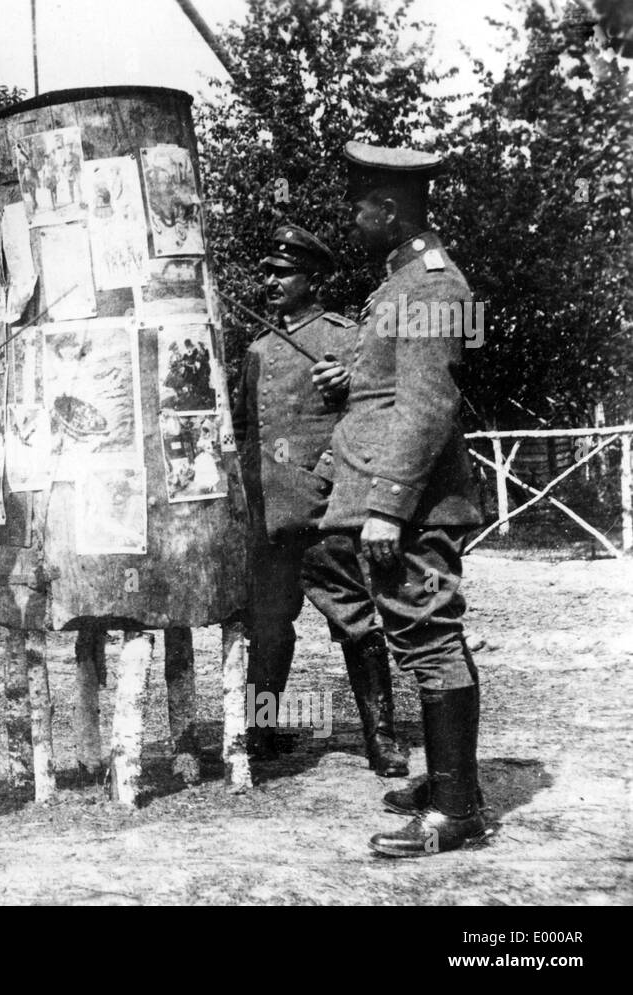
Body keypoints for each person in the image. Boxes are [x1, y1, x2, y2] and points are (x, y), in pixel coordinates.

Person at [312, 142, 486, 856]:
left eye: (360, 205)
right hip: (392, 492)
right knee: (416, 630)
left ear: (388, 208)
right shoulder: (401, 283)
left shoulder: (432, 288)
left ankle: (455, 811)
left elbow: (426, 404)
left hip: (412, 504)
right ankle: (455, 783)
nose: (353, 219)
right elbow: (388, 387)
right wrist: (346, 378)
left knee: (429, 631)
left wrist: (388, 504)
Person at [231, 224, 408, 776]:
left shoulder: (346, 339)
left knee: (355, 623)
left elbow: (375, 415)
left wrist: (349, 391)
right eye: (266, 272)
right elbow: (243, 433)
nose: (270, 282)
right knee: (268, 625)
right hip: (269, 517)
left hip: (324, 513)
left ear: (313, 279)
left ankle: (382, 741)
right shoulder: (257, 348)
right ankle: (262, 733)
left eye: (283, 273)